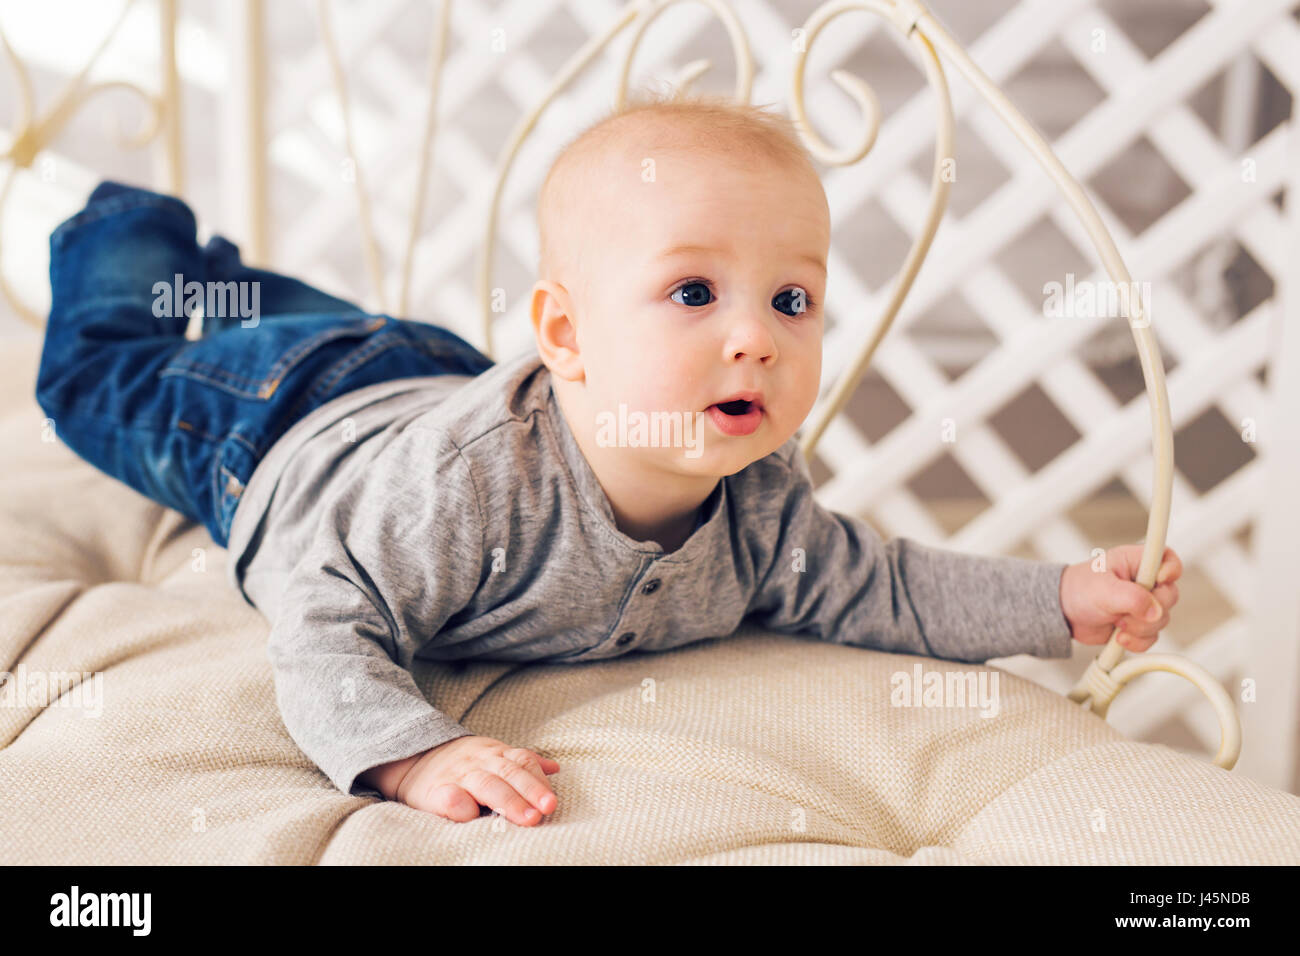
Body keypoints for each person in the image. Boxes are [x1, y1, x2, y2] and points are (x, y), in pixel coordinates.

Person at [34, 93, 1182, 828]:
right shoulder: (463, 495)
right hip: (278, 426)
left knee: (293, 308)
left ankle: (234, 277)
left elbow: (883, 586)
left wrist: (1061, 598)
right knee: (94, 383)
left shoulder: (763, 505)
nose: (757, 335)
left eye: (793, 298)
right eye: (694, 291)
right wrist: (409, 757)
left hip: (425, 365)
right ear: (569, 333)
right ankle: (121, 225)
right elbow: (324, 615)